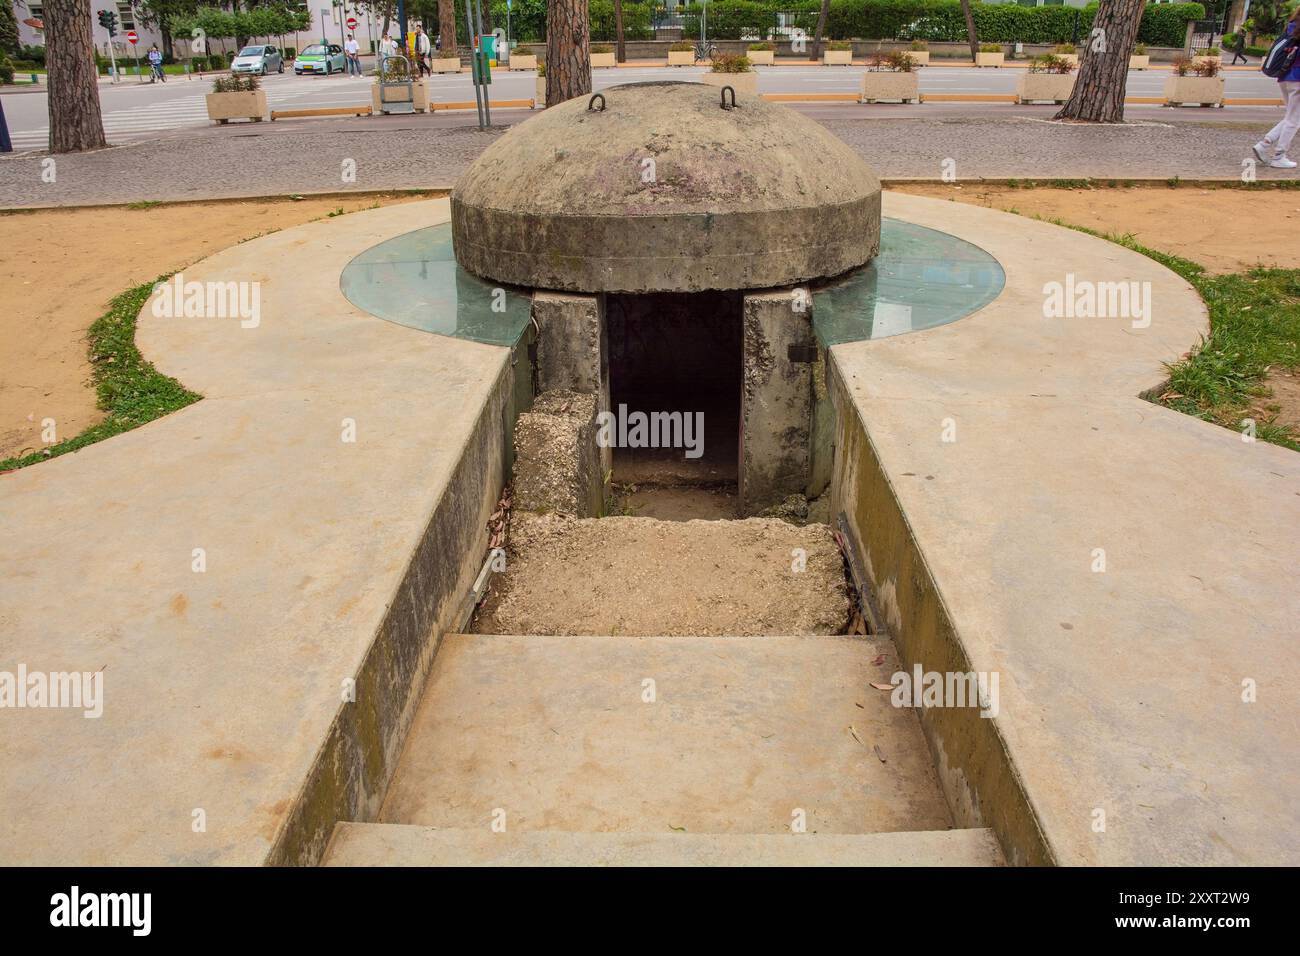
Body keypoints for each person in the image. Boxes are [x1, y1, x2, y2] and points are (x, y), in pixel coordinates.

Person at [1254, 9, 1300, 169]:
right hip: (1297, 79)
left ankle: (1264, 144)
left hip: (1285, 77)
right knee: (1294, 120)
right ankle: (1279, 156)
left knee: (1292, 117)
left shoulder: (1293, 26)